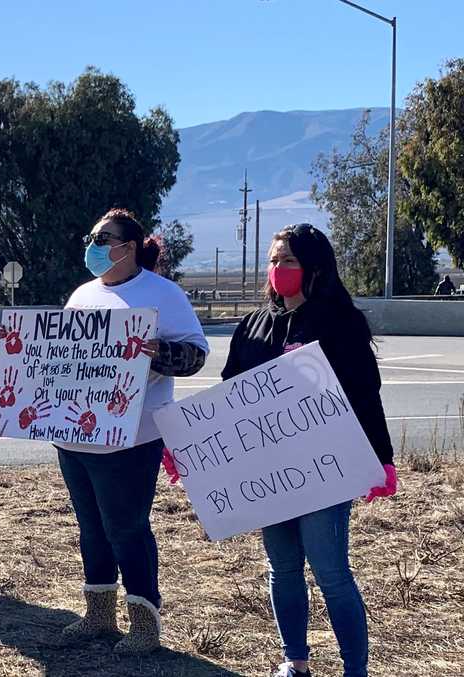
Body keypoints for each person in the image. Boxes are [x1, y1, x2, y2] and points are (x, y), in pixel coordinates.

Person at [215, 223, 397, 677]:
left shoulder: (340, 322)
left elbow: (364, 392)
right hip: (269, 471)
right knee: (282, 568)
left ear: (315, 267)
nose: (278, 268)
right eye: (274, 260)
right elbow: (227, 396)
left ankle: (355, 669)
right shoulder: (253, 325)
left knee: (332, 573)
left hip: (325, 470)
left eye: (289, 260)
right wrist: (196, 453)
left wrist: (382, 457)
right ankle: (294, 661)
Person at [54, 209, 209, 654]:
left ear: (131, 246)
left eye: (104, 238)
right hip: (74, 437)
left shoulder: (163, 294)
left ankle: (144, 621)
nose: (95, 246)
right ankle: (99, 616)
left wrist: (154, 352)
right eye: (92, 237)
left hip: (132, 436)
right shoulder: (82, 294)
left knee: (126, 528)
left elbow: (195, 354)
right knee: (90, 528)